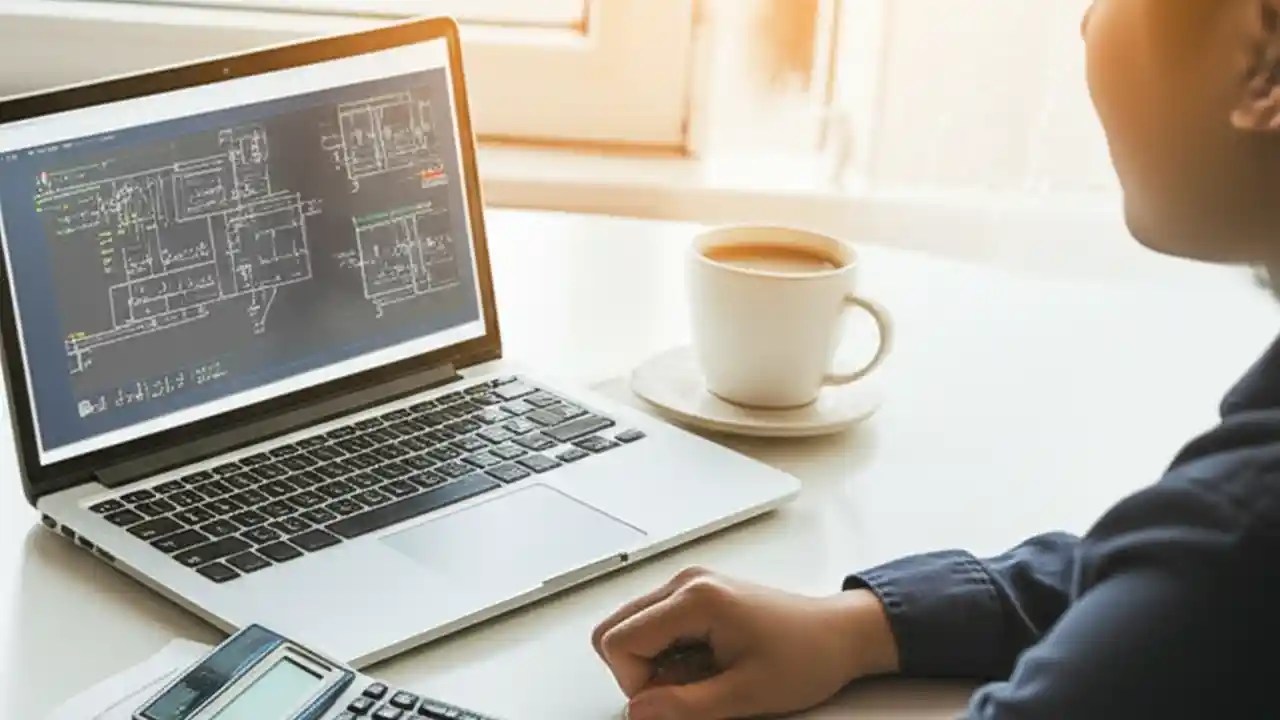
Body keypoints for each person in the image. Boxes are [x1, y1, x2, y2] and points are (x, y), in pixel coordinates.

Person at [591, 1, 1280, 718]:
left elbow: (1211, 577)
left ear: (1265, 68)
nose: (1085, 23)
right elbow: (1141, 580)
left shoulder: (1244, 542)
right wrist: (860, 628)